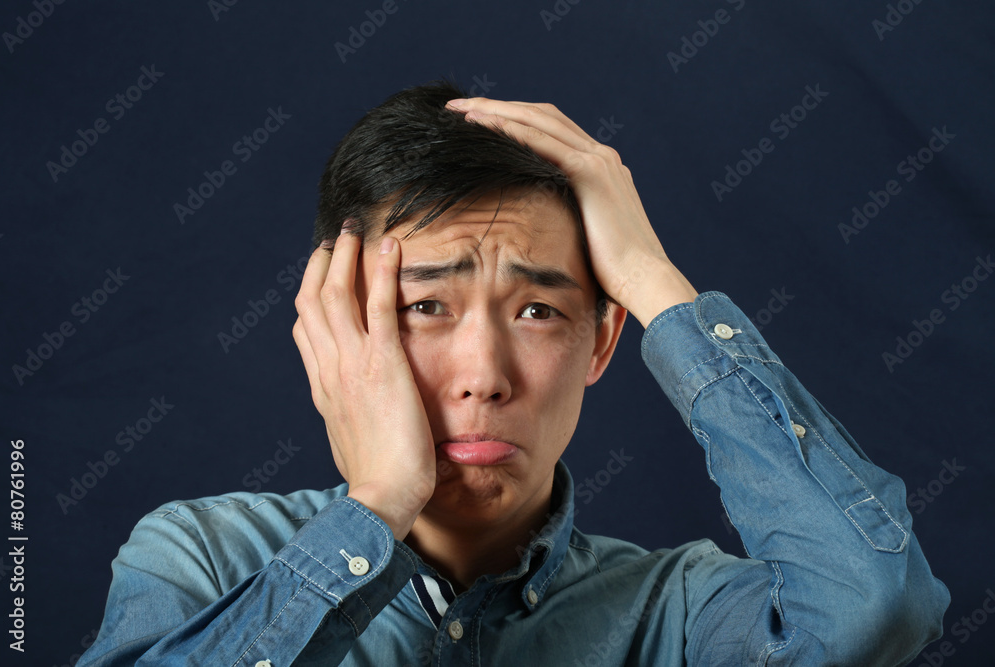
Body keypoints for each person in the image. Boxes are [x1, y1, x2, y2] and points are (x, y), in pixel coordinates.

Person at [79, 82, 949, 665]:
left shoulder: (676, 615)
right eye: (426, 307)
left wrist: (648, 277)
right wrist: (376, 503)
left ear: (602, 344)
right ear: (339, 325)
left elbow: (877, 607)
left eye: (539, 310)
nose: (485, 375)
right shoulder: (201, 558)